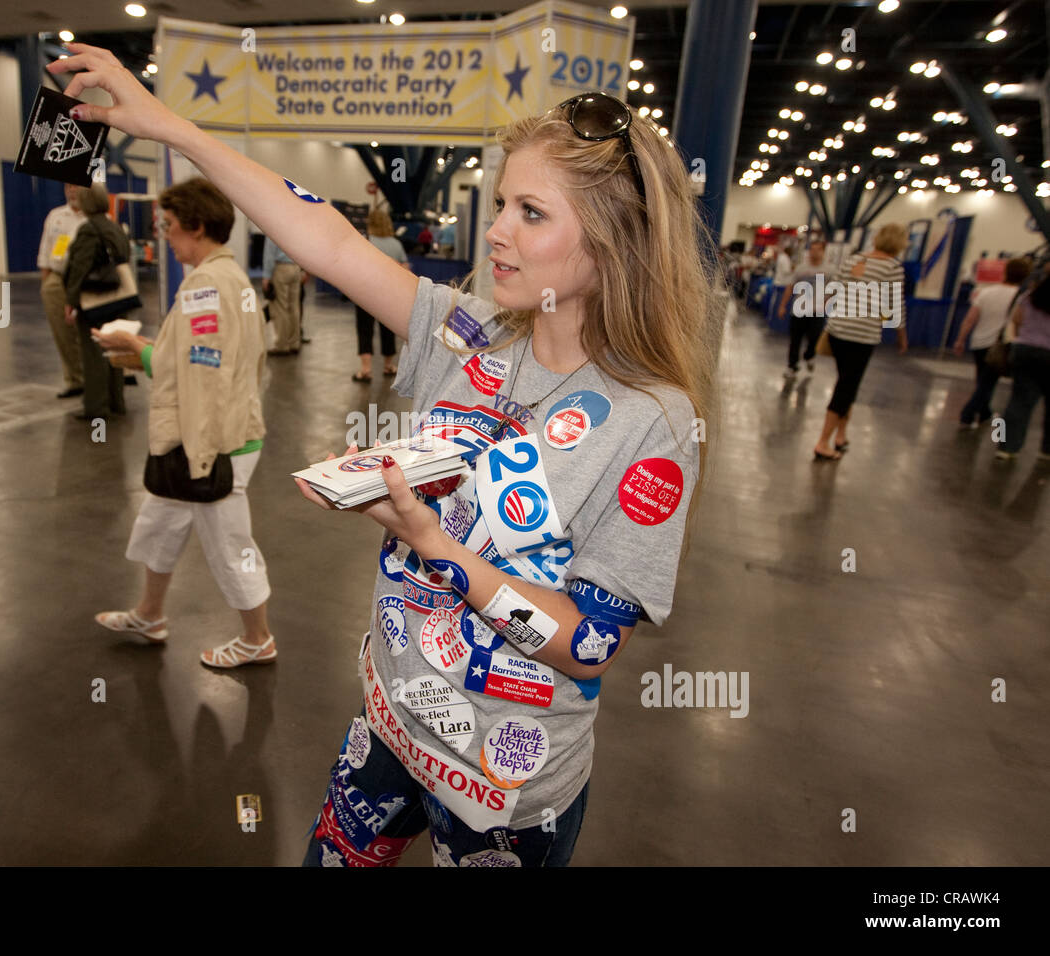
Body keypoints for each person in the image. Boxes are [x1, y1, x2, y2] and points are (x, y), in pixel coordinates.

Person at [53, 49, 711, 866]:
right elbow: (324, 238)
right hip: (394, 722)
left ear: (613, 242)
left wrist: (436, 548)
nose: (497, 232)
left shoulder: (652, 420)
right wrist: (171, 128)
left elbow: (587, 645)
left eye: (531, 213)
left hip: (505, 782)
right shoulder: (470, 333)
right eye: (502, 202)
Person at [90, 177, 276, 667]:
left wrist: (137, 350)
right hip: (212, 432)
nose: (165, 239)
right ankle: (149, 613)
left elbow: (202, 370)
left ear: (196, 227)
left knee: (230, 543)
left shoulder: (206, 286)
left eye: (170, 228)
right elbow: (210, 358)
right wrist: (143, 354)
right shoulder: (231, 279)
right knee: (160, 521)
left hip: (213, 442)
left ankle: (258, 639)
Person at [812, 223, 909, 461]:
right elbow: (894, 306)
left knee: (847, 383)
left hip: (838, 331)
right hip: (862, 336)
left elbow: (834, 289)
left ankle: (841, 434)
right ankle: (823, 441)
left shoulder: (853, 259)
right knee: (846, 387)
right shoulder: (892, 267)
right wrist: (902, 337)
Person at [63, 185, 129, 421]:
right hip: (118, 299)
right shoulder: (115, 227)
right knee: (115, 351)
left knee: (93, 354)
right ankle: (116, 401)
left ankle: (95, 408)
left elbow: (79, 267)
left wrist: (71, 300)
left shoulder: (89, 229)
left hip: (94, 301)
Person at [952, 256, 1031, 428]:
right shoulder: (1023, 298)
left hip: (979, 342)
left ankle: (985, 412)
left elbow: (970, 319)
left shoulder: (986, 292)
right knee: (988, 382)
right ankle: (968, 413)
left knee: (983, 379)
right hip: (1001, 345)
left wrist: (960, 339)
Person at [38, 182, 87, 399]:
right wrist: (47, 281)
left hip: (86, 281)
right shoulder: (55, 216)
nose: (72, 190)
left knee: (86, 332)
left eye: (76, 186)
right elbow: (46, 250)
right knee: (62, 332)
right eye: (68, 186)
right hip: (58, 276)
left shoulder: (93, 216)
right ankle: (74, 379)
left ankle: (95, 377)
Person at [994, 272, 1050, 461]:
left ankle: (1006, 447)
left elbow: (1016, 321)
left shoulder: (1030, 297)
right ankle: (1047, 450)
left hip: (1025, 351)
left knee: (1019, 401)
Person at [353, 206, 409, 382]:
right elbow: (405, 269)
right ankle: (388, 366)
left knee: (364, 329)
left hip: (365, 292)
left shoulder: (364, 240)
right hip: (389, 294)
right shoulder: (396, 244)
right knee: (388, 330)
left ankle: (366, 369)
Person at [777, 238, 829, 377]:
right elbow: (790, 287)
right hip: (799, 310)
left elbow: (834, 290)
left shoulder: (829, 270)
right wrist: (782, 306)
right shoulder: (801, 268)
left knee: (815, 338)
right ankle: (792, 366)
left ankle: (809, 355)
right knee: (795, 340)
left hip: (817, 311)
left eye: (818, 249)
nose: (814, 252)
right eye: (812, 249)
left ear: (823, 251)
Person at [262, 234, 306, 354]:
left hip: (281, 269)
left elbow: (269, 254)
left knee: (280, 307)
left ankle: (282, 345)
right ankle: (294, 343)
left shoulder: (271, 228)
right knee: (294, 307)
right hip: (295, 268)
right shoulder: (292, 228)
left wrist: (266, 276)